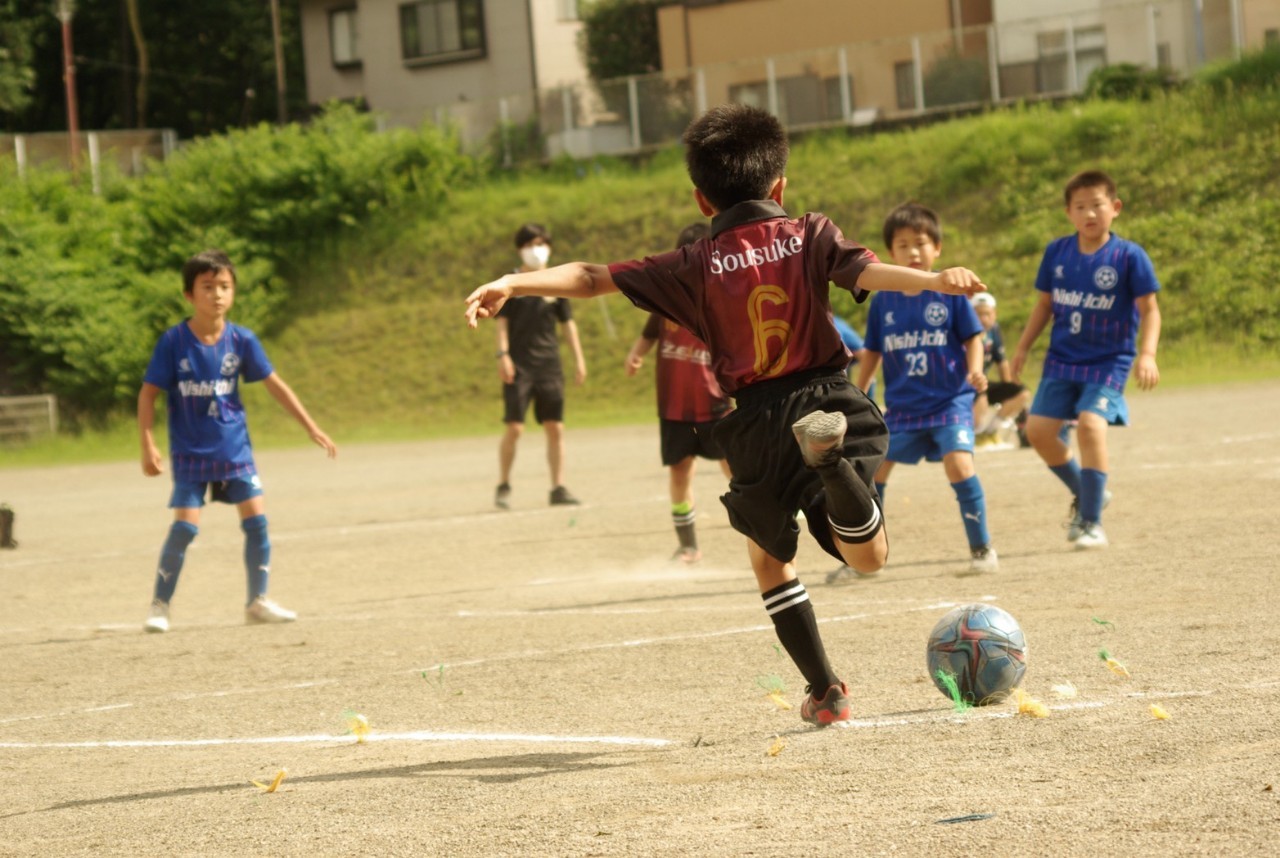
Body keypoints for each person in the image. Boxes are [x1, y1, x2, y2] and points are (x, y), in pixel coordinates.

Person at [465, 104, 987, 727]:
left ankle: (826, 692)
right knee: (868, 558)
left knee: (768, 560)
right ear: (780, 186)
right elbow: (866, 272)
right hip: (827, 399)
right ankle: (832, 468)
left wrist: (513, 282)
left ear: (702, 199)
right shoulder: (809, 232)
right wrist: (933, 280)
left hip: (757, 420)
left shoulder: (693, 262)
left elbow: (589, 276)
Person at [138, 249, 337, 633]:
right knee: (185, 528)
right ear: (189, 294)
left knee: (257, 522)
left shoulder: (241, 340)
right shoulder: (174, 341)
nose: (217, 294)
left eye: (224, 286)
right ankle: (159, 606)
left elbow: (275, 385)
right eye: (207, 286)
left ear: (233, 292)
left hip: (234, 449)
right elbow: (148, 394)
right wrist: (148, 443)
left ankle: (257, 602)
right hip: (190, 452)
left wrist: (310, 426)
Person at [1011, 169, 1161, 550]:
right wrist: (1023, 347)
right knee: (1037, 432)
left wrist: (1147, 354)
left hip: (1109, 362)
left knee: (1090, 427)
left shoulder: (1129, 256)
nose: (1089, 213)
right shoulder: (1057, 253)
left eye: (1097, 204)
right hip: (1061, 360)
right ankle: (1090, 492)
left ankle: (1091, 521)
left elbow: (1150, 310)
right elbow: (1044, 305)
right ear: (1068, 213)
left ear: (1115, 207)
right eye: (1080, 207)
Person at [853, 203, 998, 575]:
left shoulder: (950, 293)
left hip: (950, 401)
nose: (912, 252)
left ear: (937, 248)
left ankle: (982, 549)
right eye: (903, 245)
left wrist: (975, 372)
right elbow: (872, 353)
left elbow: (973, 338)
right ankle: (866, 557)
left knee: (959, 464)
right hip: (903, 408)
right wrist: (858, 393)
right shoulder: (883, 300)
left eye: (920, 243)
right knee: (873, 473)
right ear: (890, 253)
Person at [624, 223, 733, 564]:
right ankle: (688, 546)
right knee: (679, 472)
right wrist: (636, 354)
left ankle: (764, 523)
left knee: (735, 468)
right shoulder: (664, 302)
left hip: (715, 403)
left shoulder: (723, 300)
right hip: (674, 406)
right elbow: (649, 334)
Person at [493, 223, 588, 509]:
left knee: (555, 427)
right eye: (530, 244)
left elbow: (568, 325)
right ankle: (504, 484)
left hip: (549, 365)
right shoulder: (511, 282)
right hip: (519, 365)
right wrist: (503, 355)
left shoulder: (555, 281)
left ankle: (558, 487)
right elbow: (501, 324)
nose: (536, 250)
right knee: (515, 428)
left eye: (541, 244)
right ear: (519, 249)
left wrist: (579, 359)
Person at [970, 293, 1031, 449]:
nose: (983, 319)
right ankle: (972, 435)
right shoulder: (965, 332)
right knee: (981, 400)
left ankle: (990, 433)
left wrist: (1008, 389)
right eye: (978, 314)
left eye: (987, 314)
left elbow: (1002, 362)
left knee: (1021, 393)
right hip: (967, 383)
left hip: (983, 383)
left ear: (994, 314)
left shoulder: (994, 330)